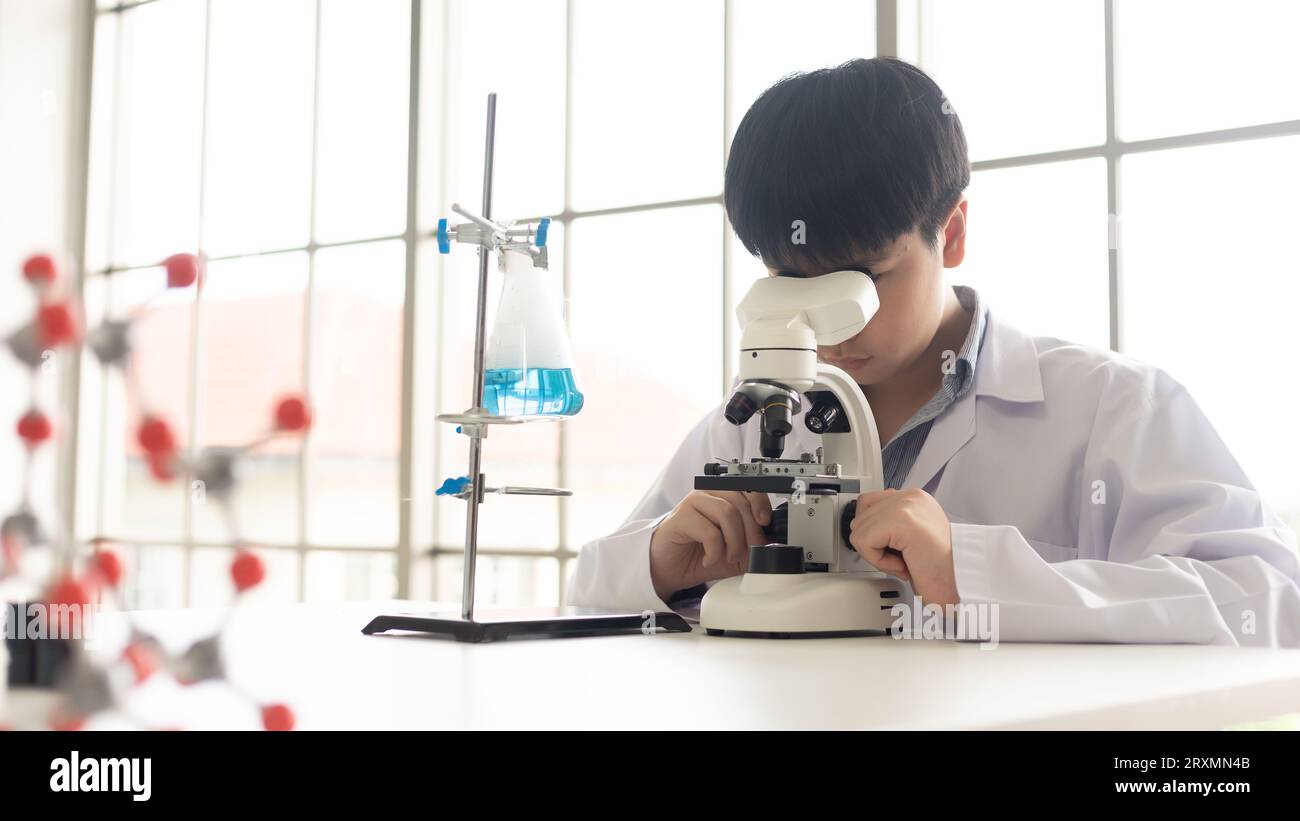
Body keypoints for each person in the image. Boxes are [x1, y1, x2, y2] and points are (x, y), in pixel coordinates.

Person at [566, 57, 1300, 646]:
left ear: (949, 234)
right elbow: (586, 591)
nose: (828, 328)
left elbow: (1266, 602)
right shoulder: (756, 417)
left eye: (862, 280)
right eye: (791, 281)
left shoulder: (1114, 407)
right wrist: (660, 561)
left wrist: (976, 573)